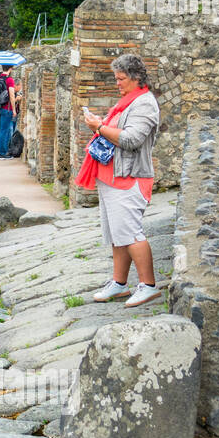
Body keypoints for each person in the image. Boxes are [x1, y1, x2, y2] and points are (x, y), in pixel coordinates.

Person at [76, 53, 162, 308]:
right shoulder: (128, 101)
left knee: (131, 233)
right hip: (112, 176)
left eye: (121, 78)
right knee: (117, 234)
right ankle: (119, 283)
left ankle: (148, 286)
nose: (117, 83)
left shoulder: (144, 104)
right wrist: (101, 124)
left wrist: (99, 128)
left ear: (136, 78)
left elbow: (131, 139)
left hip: (130, 177)